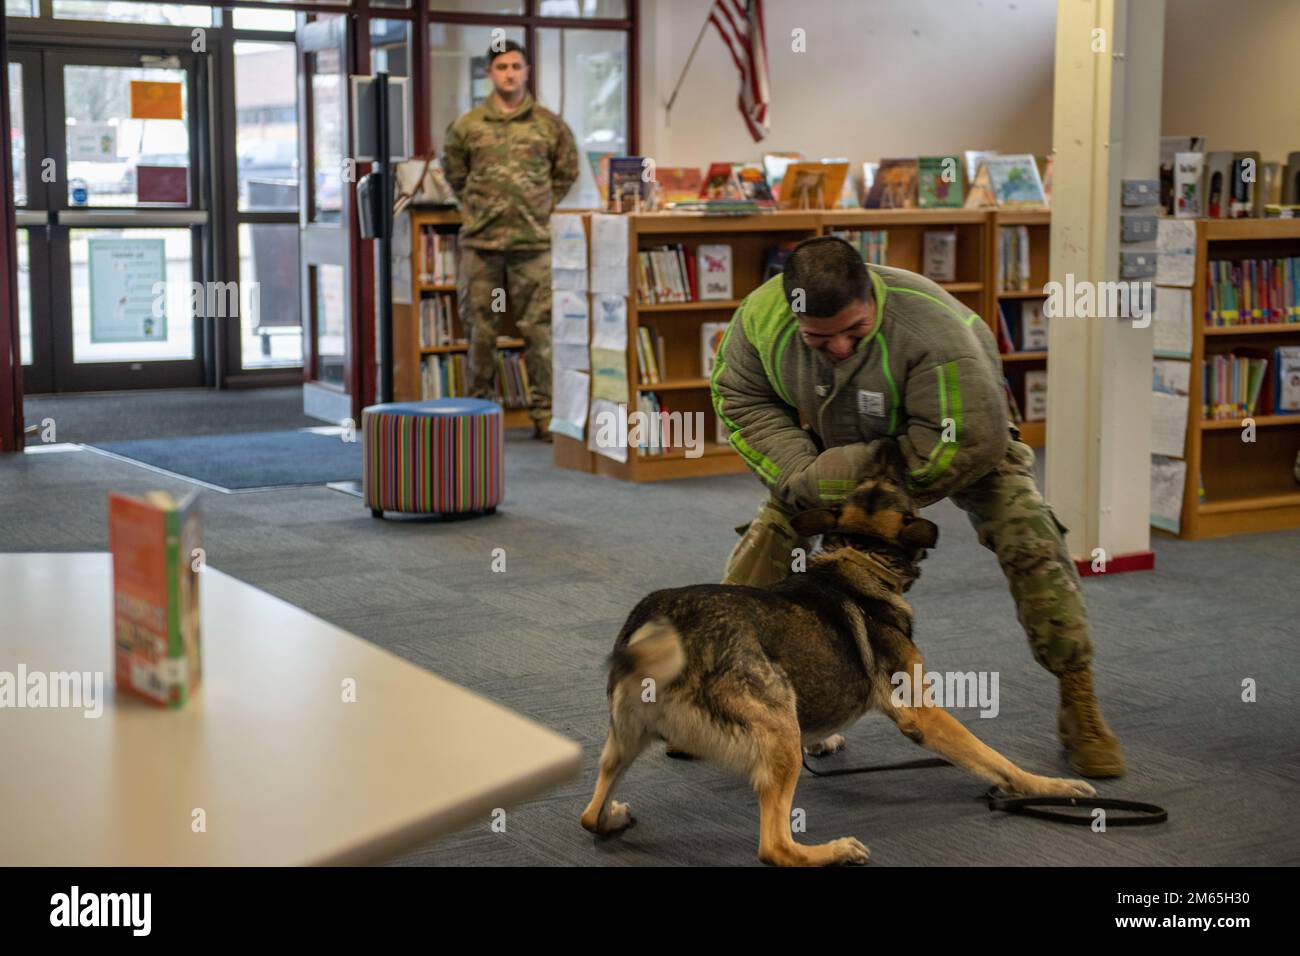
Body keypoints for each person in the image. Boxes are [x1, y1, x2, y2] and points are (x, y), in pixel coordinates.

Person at [709, 235, 1125, 778]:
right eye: (818, 338)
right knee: (772, 535)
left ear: (872, 302)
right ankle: (716, 682)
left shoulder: (932, 329)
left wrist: (873, 498)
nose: (837, 349)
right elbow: (741, 397)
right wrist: (801, 477)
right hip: (836, 452)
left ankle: (1078, 699)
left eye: (853, 332)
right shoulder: (761, 320)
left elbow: (967, 438)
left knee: (1031, 539)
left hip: (961, 444)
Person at [441, 40, 579, 441]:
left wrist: (538, 206)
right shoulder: (467, 126)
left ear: (527, 71)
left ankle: (545, 415)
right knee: (480, 331)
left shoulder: (549, 125)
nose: (510, 73)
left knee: (539, 330)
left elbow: (566, 172)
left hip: (532, 246)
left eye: (517, 66)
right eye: (502, 67)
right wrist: (482, 208)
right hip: (482, 246)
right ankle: (477, 412)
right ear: (490, 73)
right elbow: (455, 174)